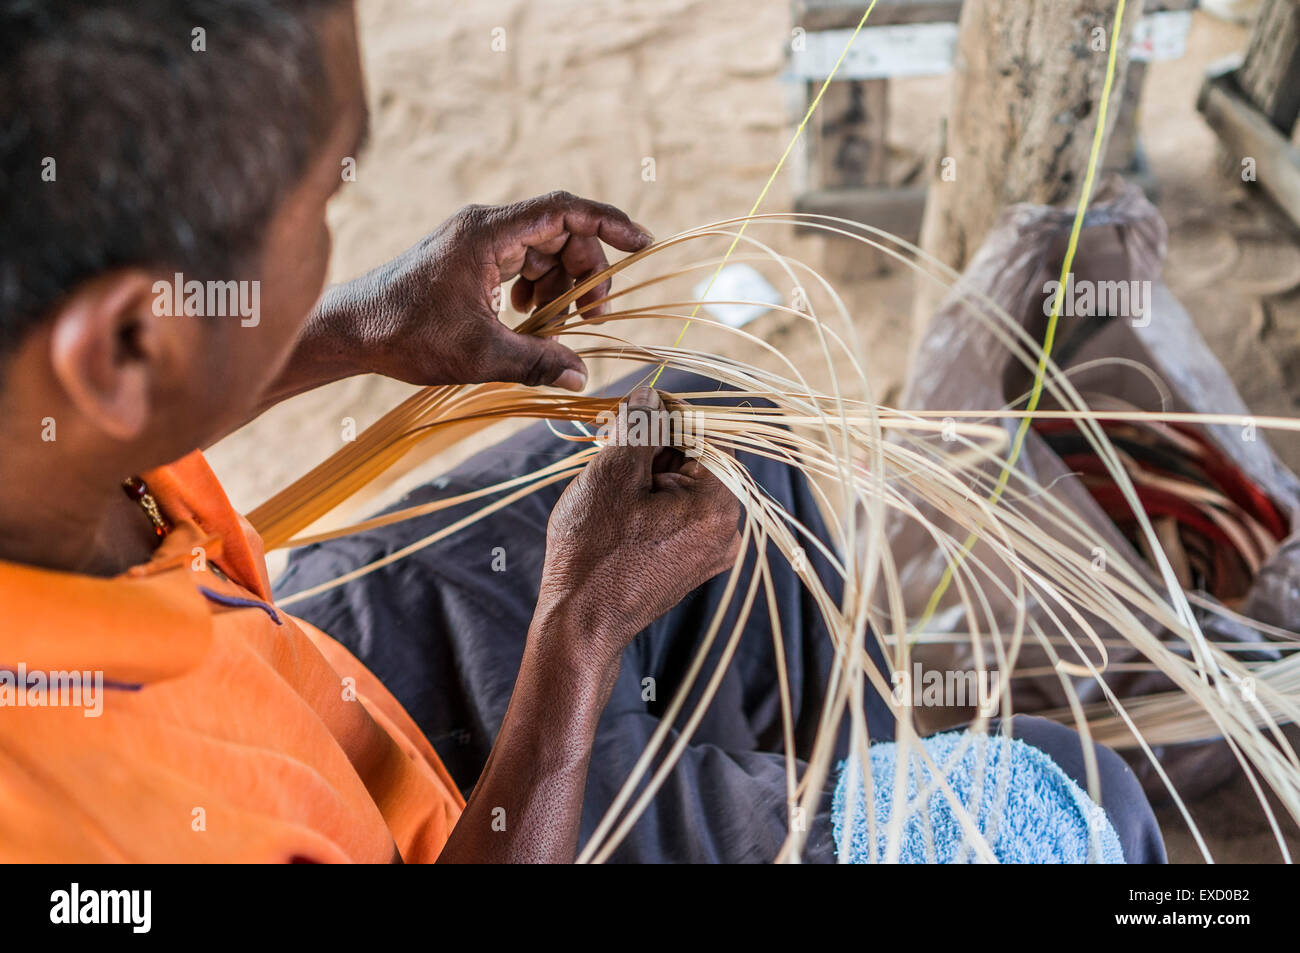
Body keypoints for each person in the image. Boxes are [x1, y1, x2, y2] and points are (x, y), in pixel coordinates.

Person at [0, 0, 1164, 863]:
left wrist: (353, 327)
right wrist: (578, 631)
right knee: (1069, 808)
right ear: (128, 346)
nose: (329, 239)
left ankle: (797, 773)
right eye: (318, 208)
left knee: (717, 431)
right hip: (468, 828)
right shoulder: (91, 826)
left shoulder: (47, 419)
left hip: (308, 682)